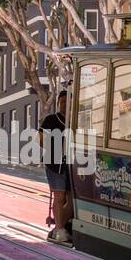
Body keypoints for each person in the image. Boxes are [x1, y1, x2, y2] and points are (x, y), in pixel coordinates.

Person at [39, 89, 73, 244]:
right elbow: (40, 139)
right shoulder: (51, 120)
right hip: (54, 164)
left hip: (72, 164)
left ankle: (58, 227)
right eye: (62, 102)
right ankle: (60, 230)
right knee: (59, 196)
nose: (64, 105)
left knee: (72, 200)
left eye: (67, 102)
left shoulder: (76, 120)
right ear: (59, 103)